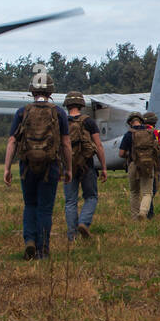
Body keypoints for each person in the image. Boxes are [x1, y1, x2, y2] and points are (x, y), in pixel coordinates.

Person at [3, 74, 72, 259]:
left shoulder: (22, 112)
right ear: (51, 91)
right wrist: (69, 169)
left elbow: (12, 141)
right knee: (45, 208)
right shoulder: (59, 113)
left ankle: (29, 241)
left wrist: (7, 168)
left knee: (30, 204)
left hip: (26, 166)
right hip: (51, 166)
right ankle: (43, 250)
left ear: (32, 90)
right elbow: (66, 144)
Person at [63, 91, 107, 240]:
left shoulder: (62, 121)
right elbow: (98, 145)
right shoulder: (88, 122)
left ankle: (71, 235)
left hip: (68, 166)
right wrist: (104, 167)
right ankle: (83, 222)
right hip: (87, 164)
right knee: (91, 197)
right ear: (81, 105)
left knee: (70, 201)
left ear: (67, 105)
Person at [120, 112, 160, 220]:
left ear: (130, 122)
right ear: (142, 120)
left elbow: (121, 154)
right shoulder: (150, 133)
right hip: (148, 164)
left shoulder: (128, 134)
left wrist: (130, 154)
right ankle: (143, 212)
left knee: (134, 192)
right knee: (147, 193)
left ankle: (135, 218)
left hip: (133, 164)